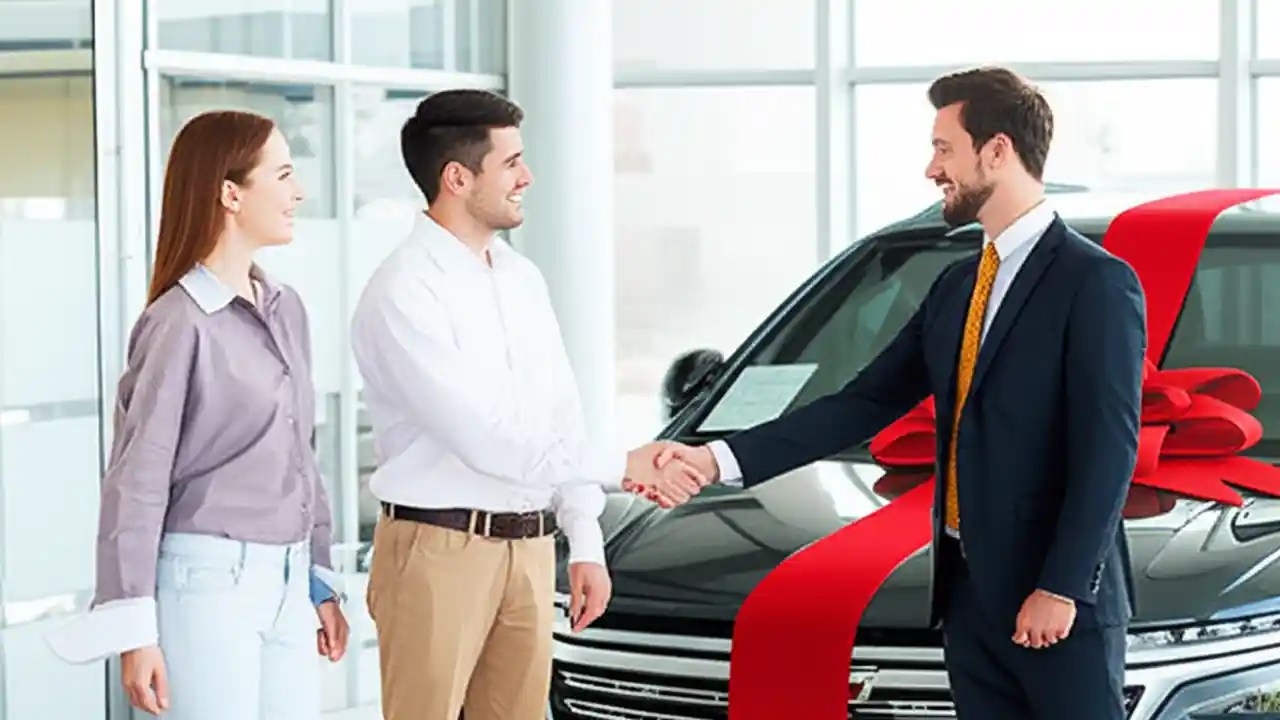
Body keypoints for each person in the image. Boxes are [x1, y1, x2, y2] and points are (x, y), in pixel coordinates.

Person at [644, 66, 1145, 719]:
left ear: (997, 150)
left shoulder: (1095, 282)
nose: (931, 169)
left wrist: (1062, 586)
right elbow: (861, 403)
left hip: (1056, 606)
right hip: (968, 599)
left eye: (944, 149)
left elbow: (1107, 448)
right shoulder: (956, 288)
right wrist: (716, 460)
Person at [348, 89, 705, 720]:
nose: (527, 176)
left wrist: (585, 539)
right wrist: (626, 463)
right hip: (439, 549)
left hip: (531, 550)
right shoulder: (403, 292)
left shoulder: (520, 278)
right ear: (457, 177)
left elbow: (558, 415)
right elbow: (487, 441)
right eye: (511, 161)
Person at [45, 110, 350, 719]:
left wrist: (319, 577)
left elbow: (299, 454)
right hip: (207, 585)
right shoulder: (177, 322)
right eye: (284, 174)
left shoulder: (286, 308)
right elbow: (136, 481)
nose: (299, 192)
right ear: (230, 193)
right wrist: (134, 628)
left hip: (288, 579)